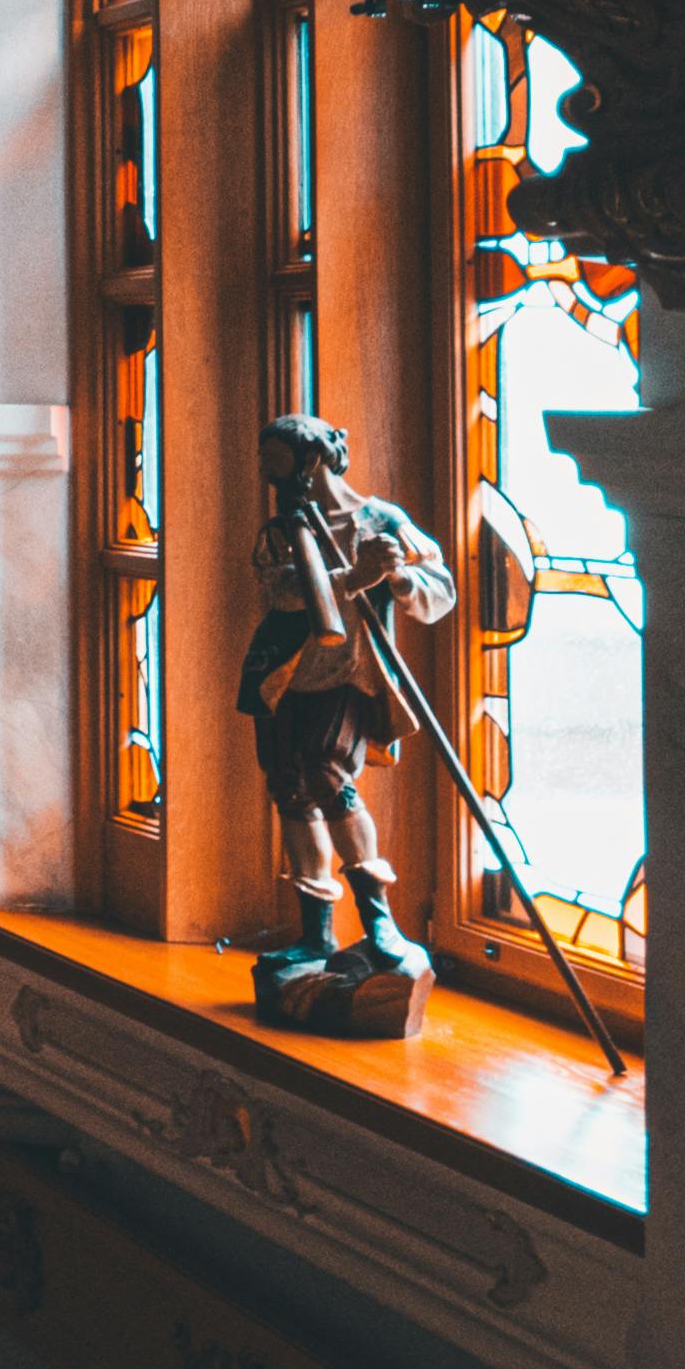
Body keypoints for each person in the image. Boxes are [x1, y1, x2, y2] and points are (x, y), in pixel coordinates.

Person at [238, 411, 454, 1005]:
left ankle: (378, 918)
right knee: (288, 786)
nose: (264, 472)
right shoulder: (282, 528)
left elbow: (439, 590)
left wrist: (400, 579)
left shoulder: (382, 520)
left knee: (329, 775)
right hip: (284, 678)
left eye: (272, 460)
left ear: (308, 461)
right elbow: (282, 591)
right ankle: (315, 934)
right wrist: (353, 577)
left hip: (349, 677)